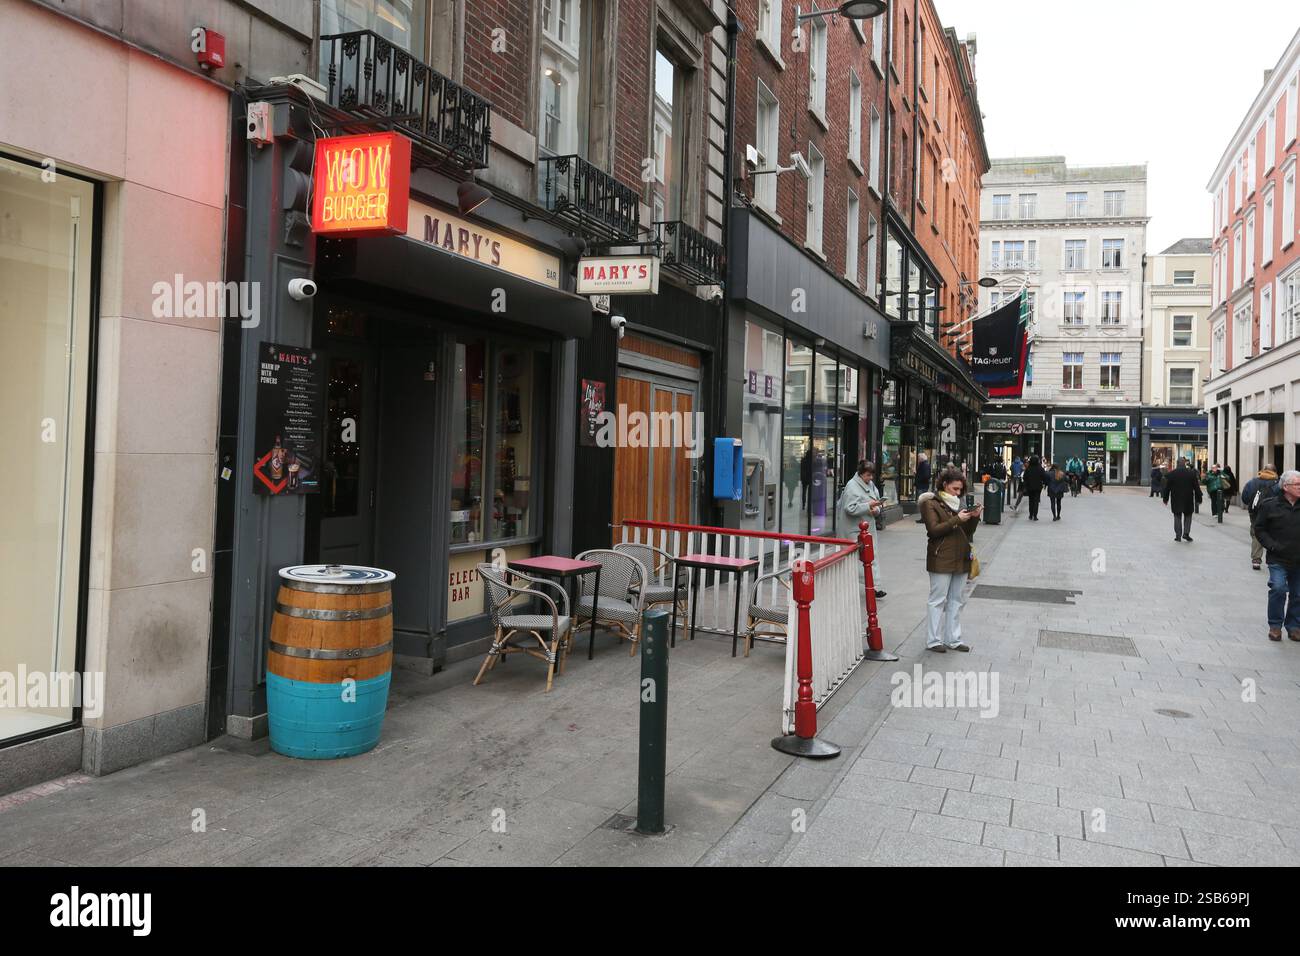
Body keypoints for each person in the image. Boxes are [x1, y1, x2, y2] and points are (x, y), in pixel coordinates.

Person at [919, 467, 982, 653]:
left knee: (956, 599)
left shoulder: (960, 504)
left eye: (960, 489)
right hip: (941, 557)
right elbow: (934, 530)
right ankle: (933, 640)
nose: (958, 493)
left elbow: (968, 532)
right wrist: (957, 519)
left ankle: (953, 639)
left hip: (961, 556)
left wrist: (974, 518)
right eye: (954, 489)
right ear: (944, 485)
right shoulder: (930, 503)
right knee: (937, 600)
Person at [1252, 470, 1300, 642]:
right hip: (1278, 558)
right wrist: (1272, 545)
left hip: (1298, 559)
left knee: (1298, 594)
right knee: (1278, 589)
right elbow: (1259, 529)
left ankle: (1294, 626)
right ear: (1286, 487)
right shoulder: (1270, 505)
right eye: (1297, 484)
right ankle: (1275, 626)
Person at [838, 460, 888, 599]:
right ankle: (871, 586)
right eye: (867, 475)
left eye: (871, 475)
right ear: (860, 474)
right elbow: (850, 508)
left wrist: (876, 509)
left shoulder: (869, 484)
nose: (870, 478)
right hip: (855, 529)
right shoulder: (852, 486)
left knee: (871, 557)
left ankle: (874, 586)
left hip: (866, 527)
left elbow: (876, 502)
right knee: (860, 560)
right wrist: (868, 506)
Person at [1242, 464, 1280, 571]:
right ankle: (1274, 559)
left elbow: (1245, 497)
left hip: (1255, 512)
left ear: (1263, 470)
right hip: (1273, 512)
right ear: (1275, 472)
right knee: (1274, 533)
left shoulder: (1252, 482)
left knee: (1256, 533)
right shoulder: (1278, 484)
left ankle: (1256, 560)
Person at [1162, 457, 1203, 543]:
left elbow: (1167, 488)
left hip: (1176, 499)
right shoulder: (1191, 474)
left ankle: (1178, 535)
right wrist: (1199, 498)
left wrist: (1165, 499)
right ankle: (1186, 533)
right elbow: (1196, 487)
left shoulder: (1172, 474)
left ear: (1177, 463)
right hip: (1188, 498)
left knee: (1177, 516)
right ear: (1184, 463)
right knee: (1188, 516)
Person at [1021, 454, 1047, 520]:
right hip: (1038, 487)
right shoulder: (1040, 468)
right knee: (1036, 501)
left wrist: (1027, 483)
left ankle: (1030, 514)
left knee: (1031, 500)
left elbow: (1024, 477)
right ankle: (1035, 515)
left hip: (1030, 487)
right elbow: (1044, 476)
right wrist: (1044, 483)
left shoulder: (1028, 468)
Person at [913, 453, 931, 524]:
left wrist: (918, 478)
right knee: (922, 502)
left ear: (921, 459)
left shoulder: (924, 465)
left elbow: (926, 476)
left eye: (918, 458)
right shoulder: (924, 464)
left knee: (922, 502)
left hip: (922, 486)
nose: (918, 459)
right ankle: (923, 517)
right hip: (923, 485)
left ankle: (924, 518)